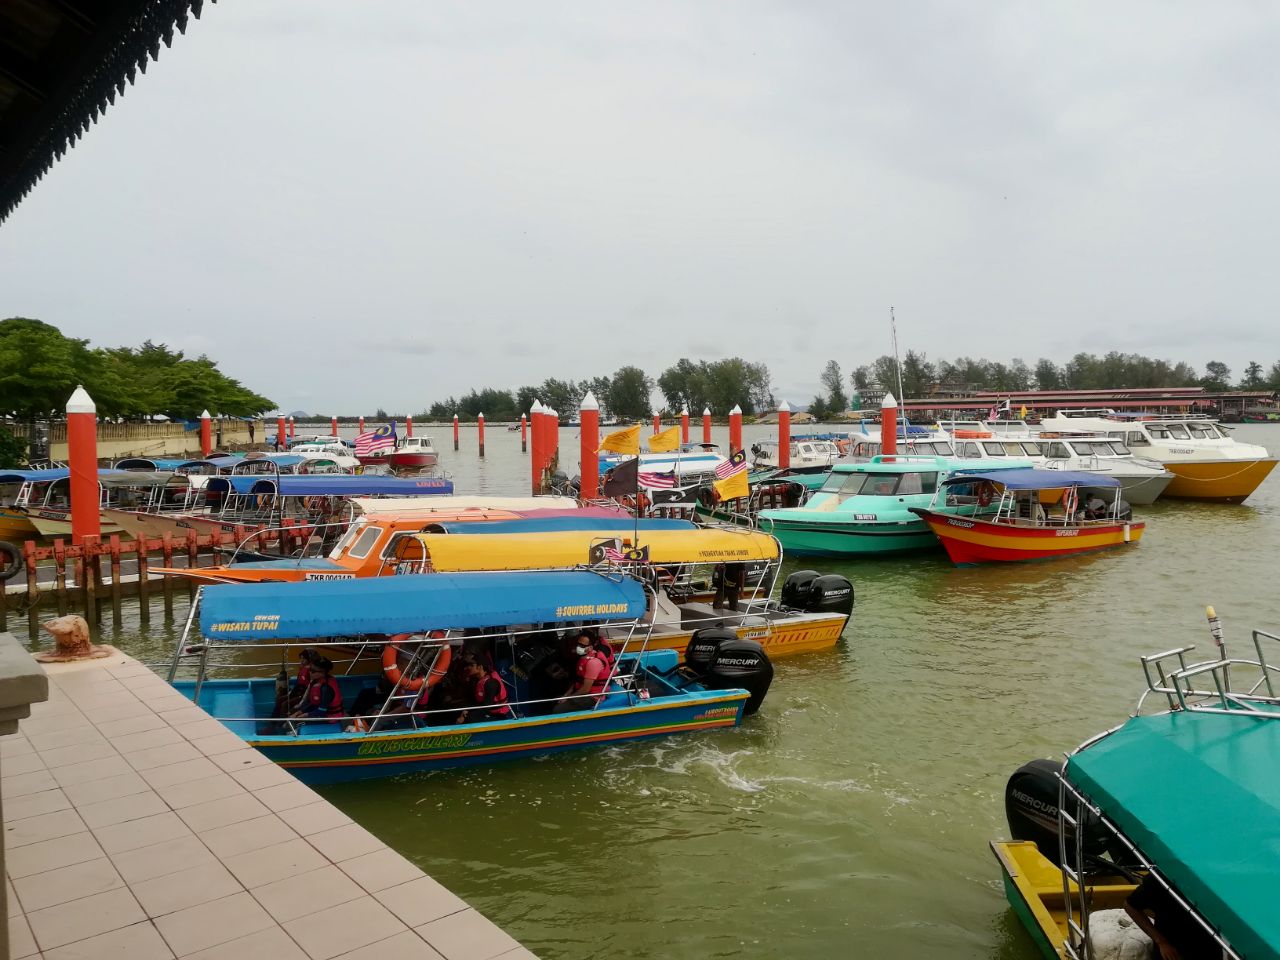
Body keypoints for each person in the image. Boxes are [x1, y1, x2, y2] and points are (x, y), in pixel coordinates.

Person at [1124, 873, 1224, 960]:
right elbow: (1130, 906)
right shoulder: (1159, 879)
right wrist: (1161, 941)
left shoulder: (1215, 879)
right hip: (1173, 949)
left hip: (1208, 947)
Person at [553, 632, 611, 713]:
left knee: (558, 709)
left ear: (590, 647)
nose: (579, 647)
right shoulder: (583, 658)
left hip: (592, 696)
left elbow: (586, 689)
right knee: (555, 698)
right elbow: (577, 681)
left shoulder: (593, 663)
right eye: (579, 644)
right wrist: (566, 695)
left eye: (583, 646)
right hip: (582, 691)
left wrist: (568, 698)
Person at [288, 655, 344, 723]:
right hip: (320, 711)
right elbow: (314, 703)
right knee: (293, 713)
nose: (310, 673)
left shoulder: (326, 688)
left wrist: (305, 715)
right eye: (310, 670)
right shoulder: (316, 681)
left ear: (323, 672)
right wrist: (299, 712)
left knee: (299, 720)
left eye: (314, 671)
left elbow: (322, 710)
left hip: (330, 717)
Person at [456, 658, 511, 723]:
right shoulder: (476, 680)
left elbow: (487, 707)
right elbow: (474, 700)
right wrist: (465, 709)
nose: (468, 668)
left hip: (498, 714)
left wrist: (466, 716)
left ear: (480, 667)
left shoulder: (490, 683)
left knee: (469, 719)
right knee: (456, 711)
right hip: (484, 709)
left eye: (471, 666)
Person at [273, 648, 317, 718]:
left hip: (304, 695)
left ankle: (281, 723)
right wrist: (291, 692)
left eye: (304, 659)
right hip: (298, 691)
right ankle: (274, 721)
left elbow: (309, 688)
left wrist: (301, 700)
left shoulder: (311, 671)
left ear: (309, 659)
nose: (301, 661)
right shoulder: (303, 668)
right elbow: (299, 684)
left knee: (285, 704)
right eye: (301, 658)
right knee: (280, 698)